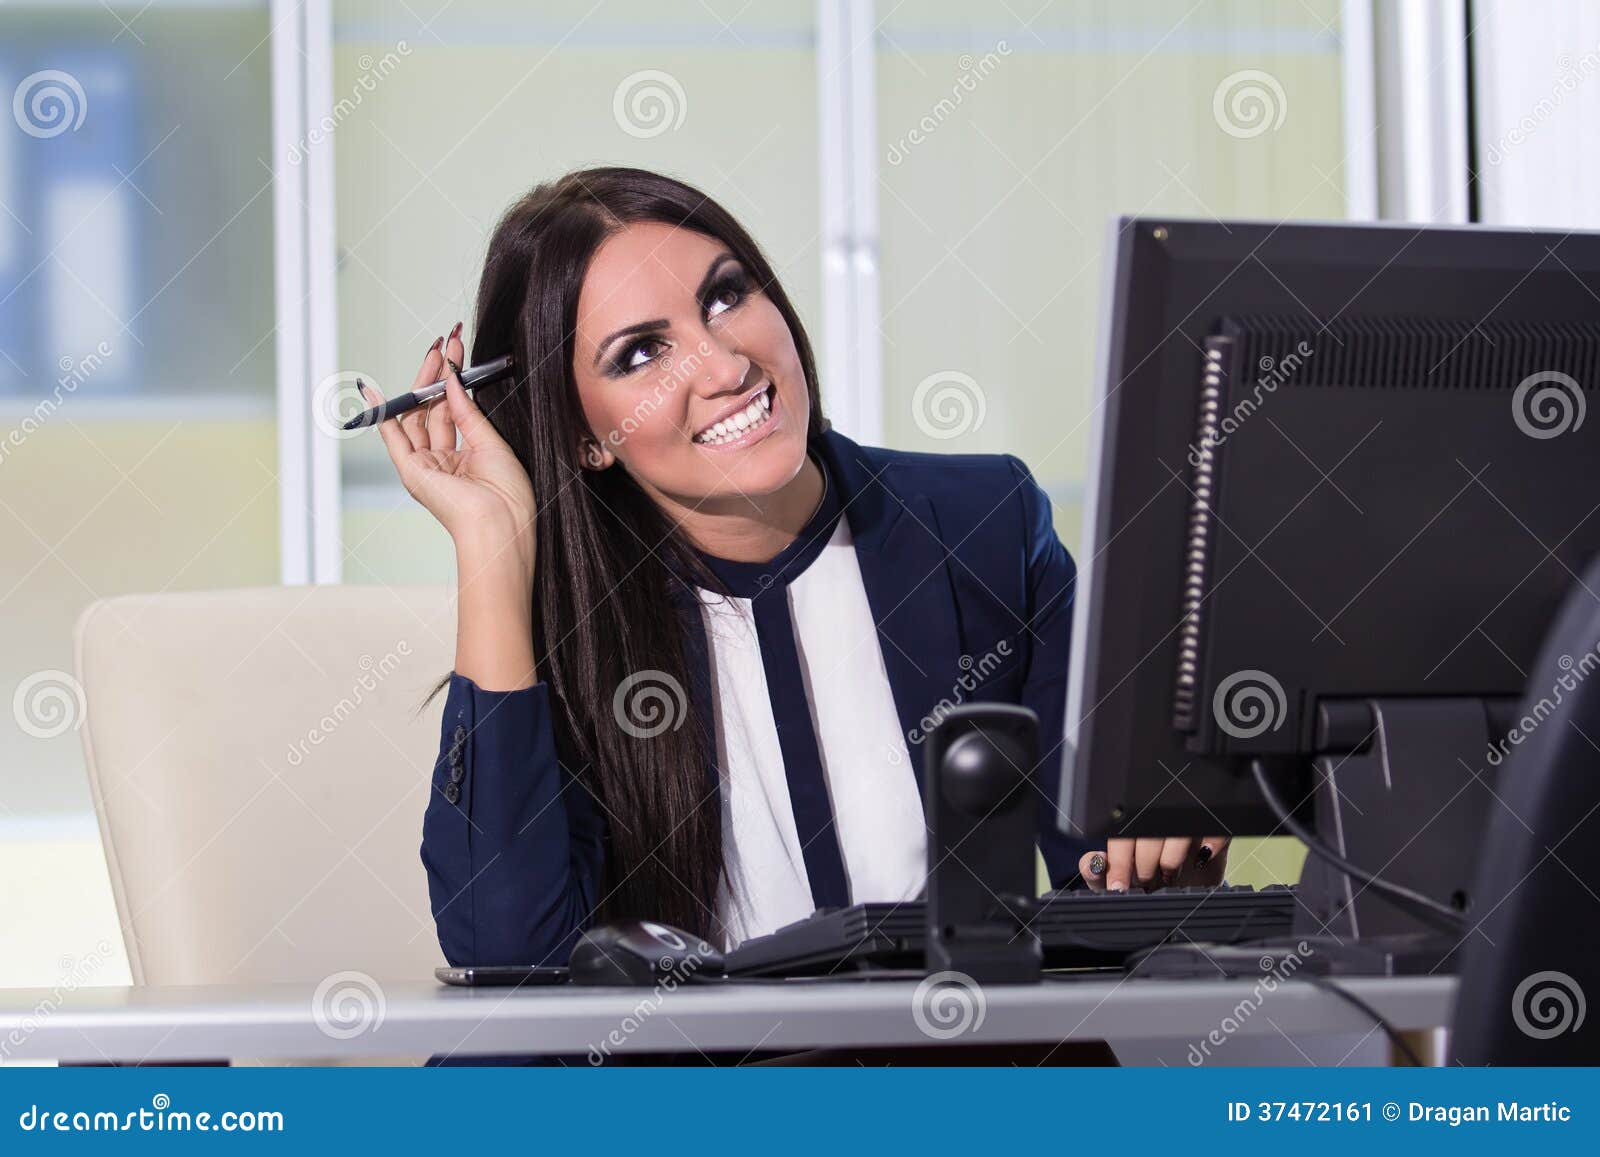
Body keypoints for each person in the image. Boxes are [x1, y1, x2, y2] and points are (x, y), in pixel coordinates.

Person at [366, 166, 1230, 979]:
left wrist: (1157, 855)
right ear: (584, 437)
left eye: (726, 296)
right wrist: (492, 541)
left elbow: (1105, 881)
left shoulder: (983, 525)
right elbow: (509, 956)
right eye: (641, 354)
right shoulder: (564, 632)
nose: (726, 367)